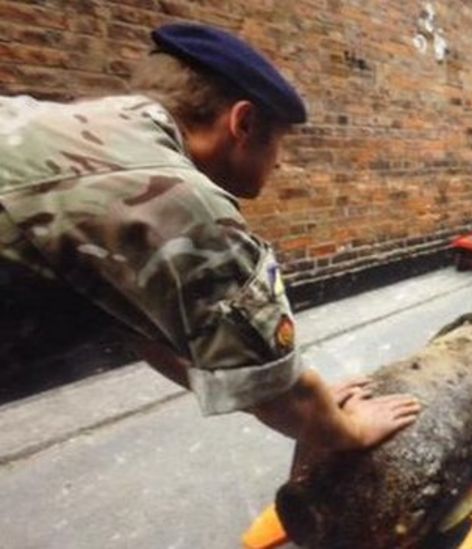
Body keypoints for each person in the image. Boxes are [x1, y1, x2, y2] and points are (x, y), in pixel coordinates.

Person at [0, 24, 421, 455]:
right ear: (243, 122)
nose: (280, 163)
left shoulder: (66, 125)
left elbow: (148, 328)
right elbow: (276, 393)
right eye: (280, 143)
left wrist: (288, 393)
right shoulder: (177, 199)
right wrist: (347, 429)